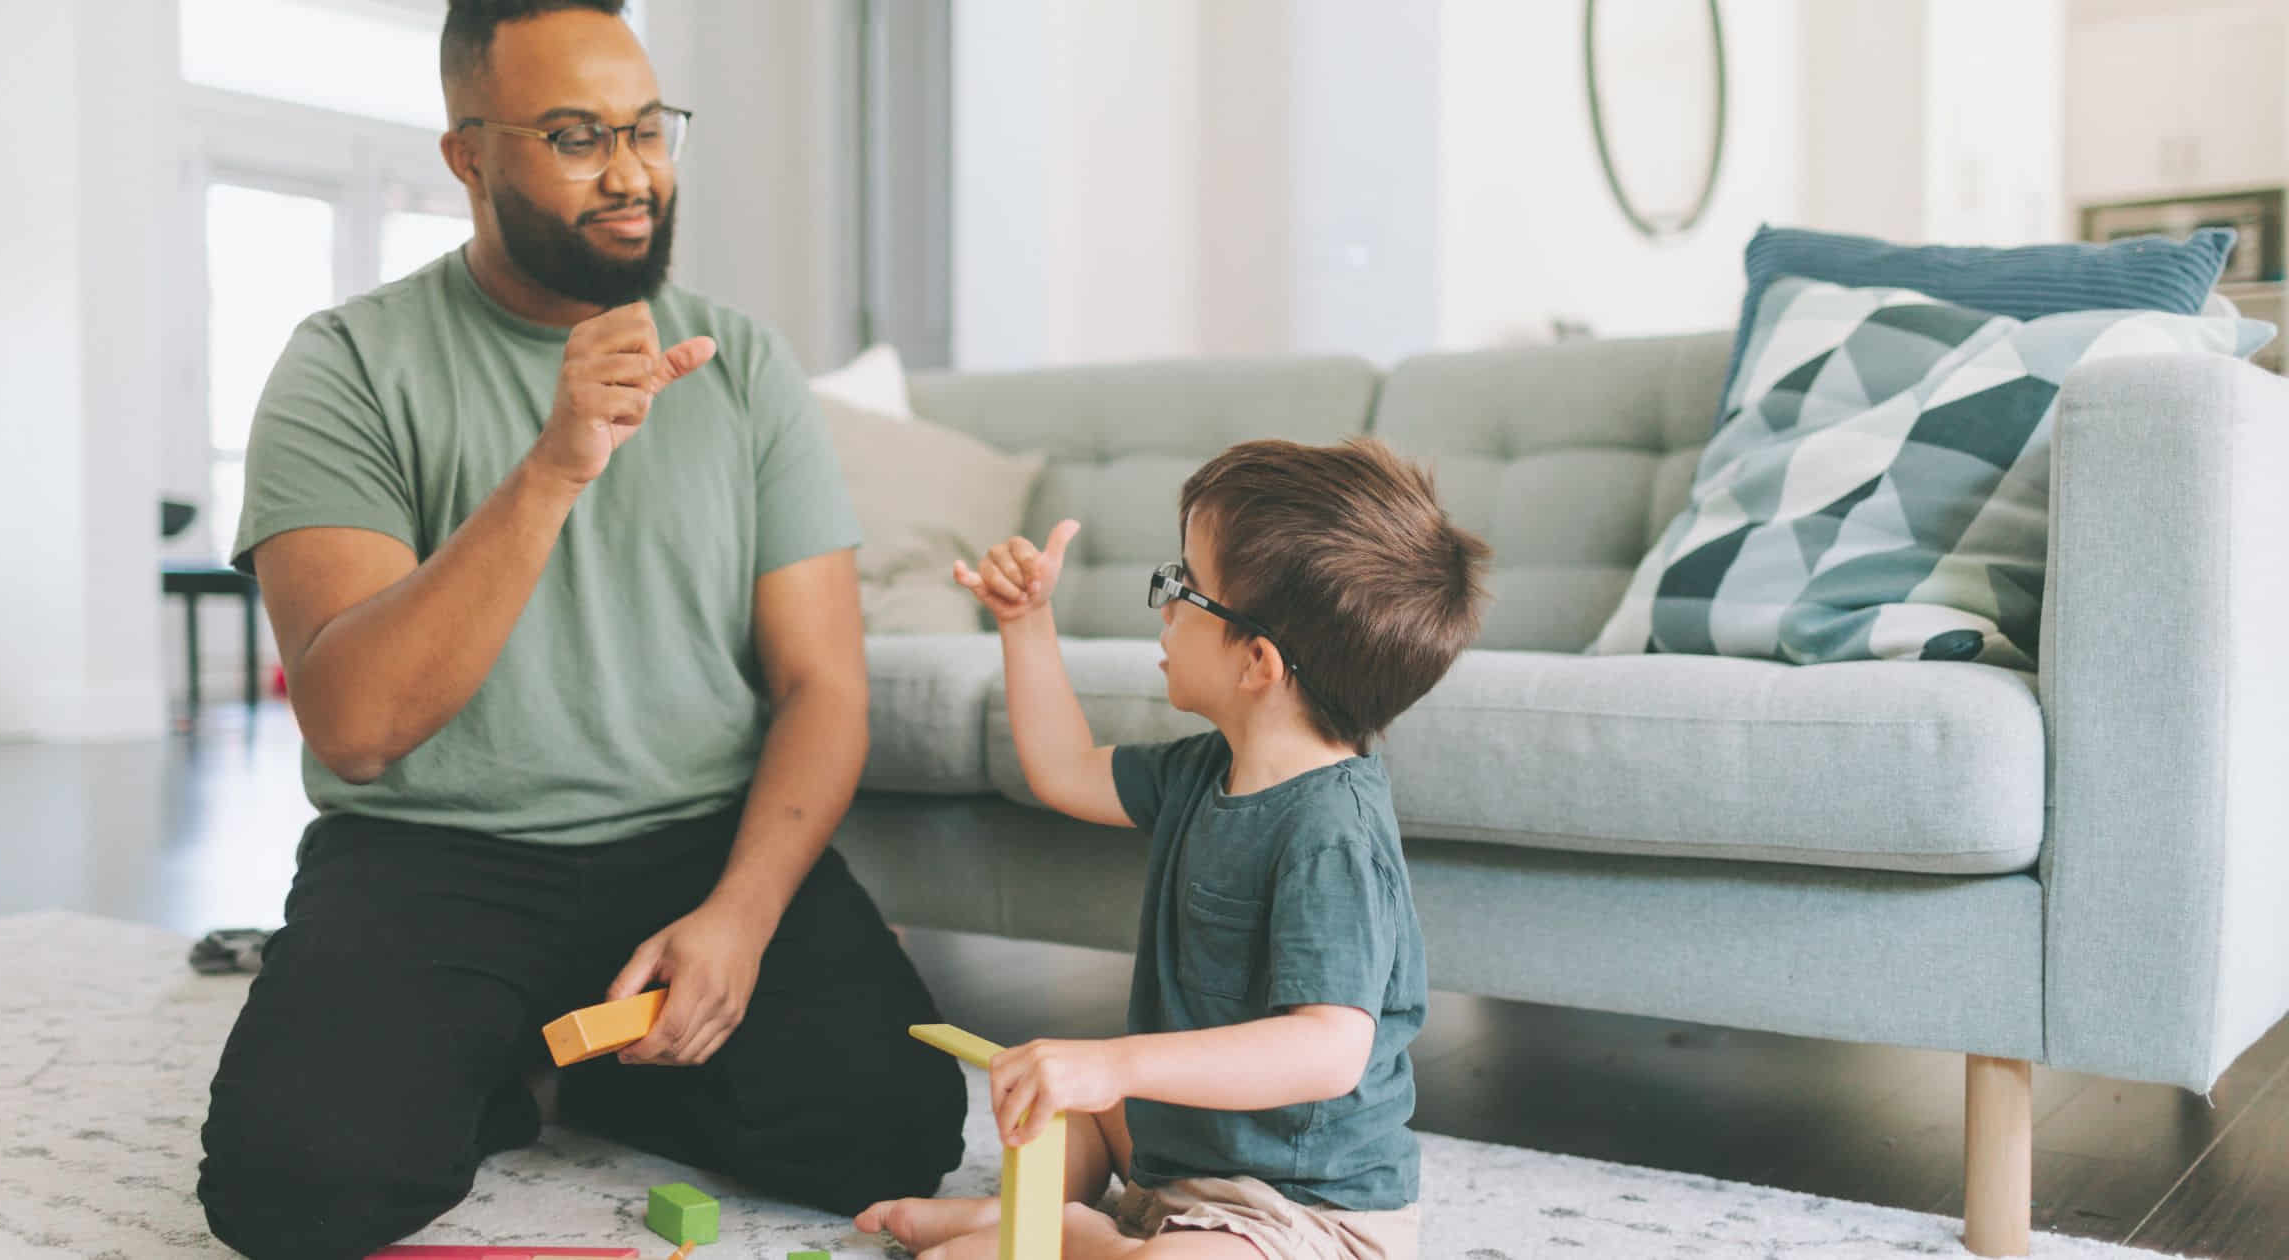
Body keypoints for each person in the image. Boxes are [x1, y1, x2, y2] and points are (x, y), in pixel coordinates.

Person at [193, 3, 963, 1256]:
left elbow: (823, 684)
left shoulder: (749, 364)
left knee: (889, 1134)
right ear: (469, 155)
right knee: (296, 1193)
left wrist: (742, 918)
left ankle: (576, 1064)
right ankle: (509, 1054)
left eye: (647, 129)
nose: (630, 171)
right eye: (572, 135)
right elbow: (355, 727)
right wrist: (550, 471)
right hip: (436, 854)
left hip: (695, 848)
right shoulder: (344, 363)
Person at [859, 439, 1489, 1259]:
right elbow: (1059, 770)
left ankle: (1083, 1238)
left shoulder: (1332, 834)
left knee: (1135, 1165)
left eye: (1183, 586)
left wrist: (1119, 1064)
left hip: (1299, 1207)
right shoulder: (1205, 772)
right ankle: (1037, 1220)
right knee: (1066, 1097)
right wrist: (1025, 623)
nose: (1164, 604)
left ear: (1258, 662)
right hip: (1181, 1155)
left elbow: (1330, 1050)